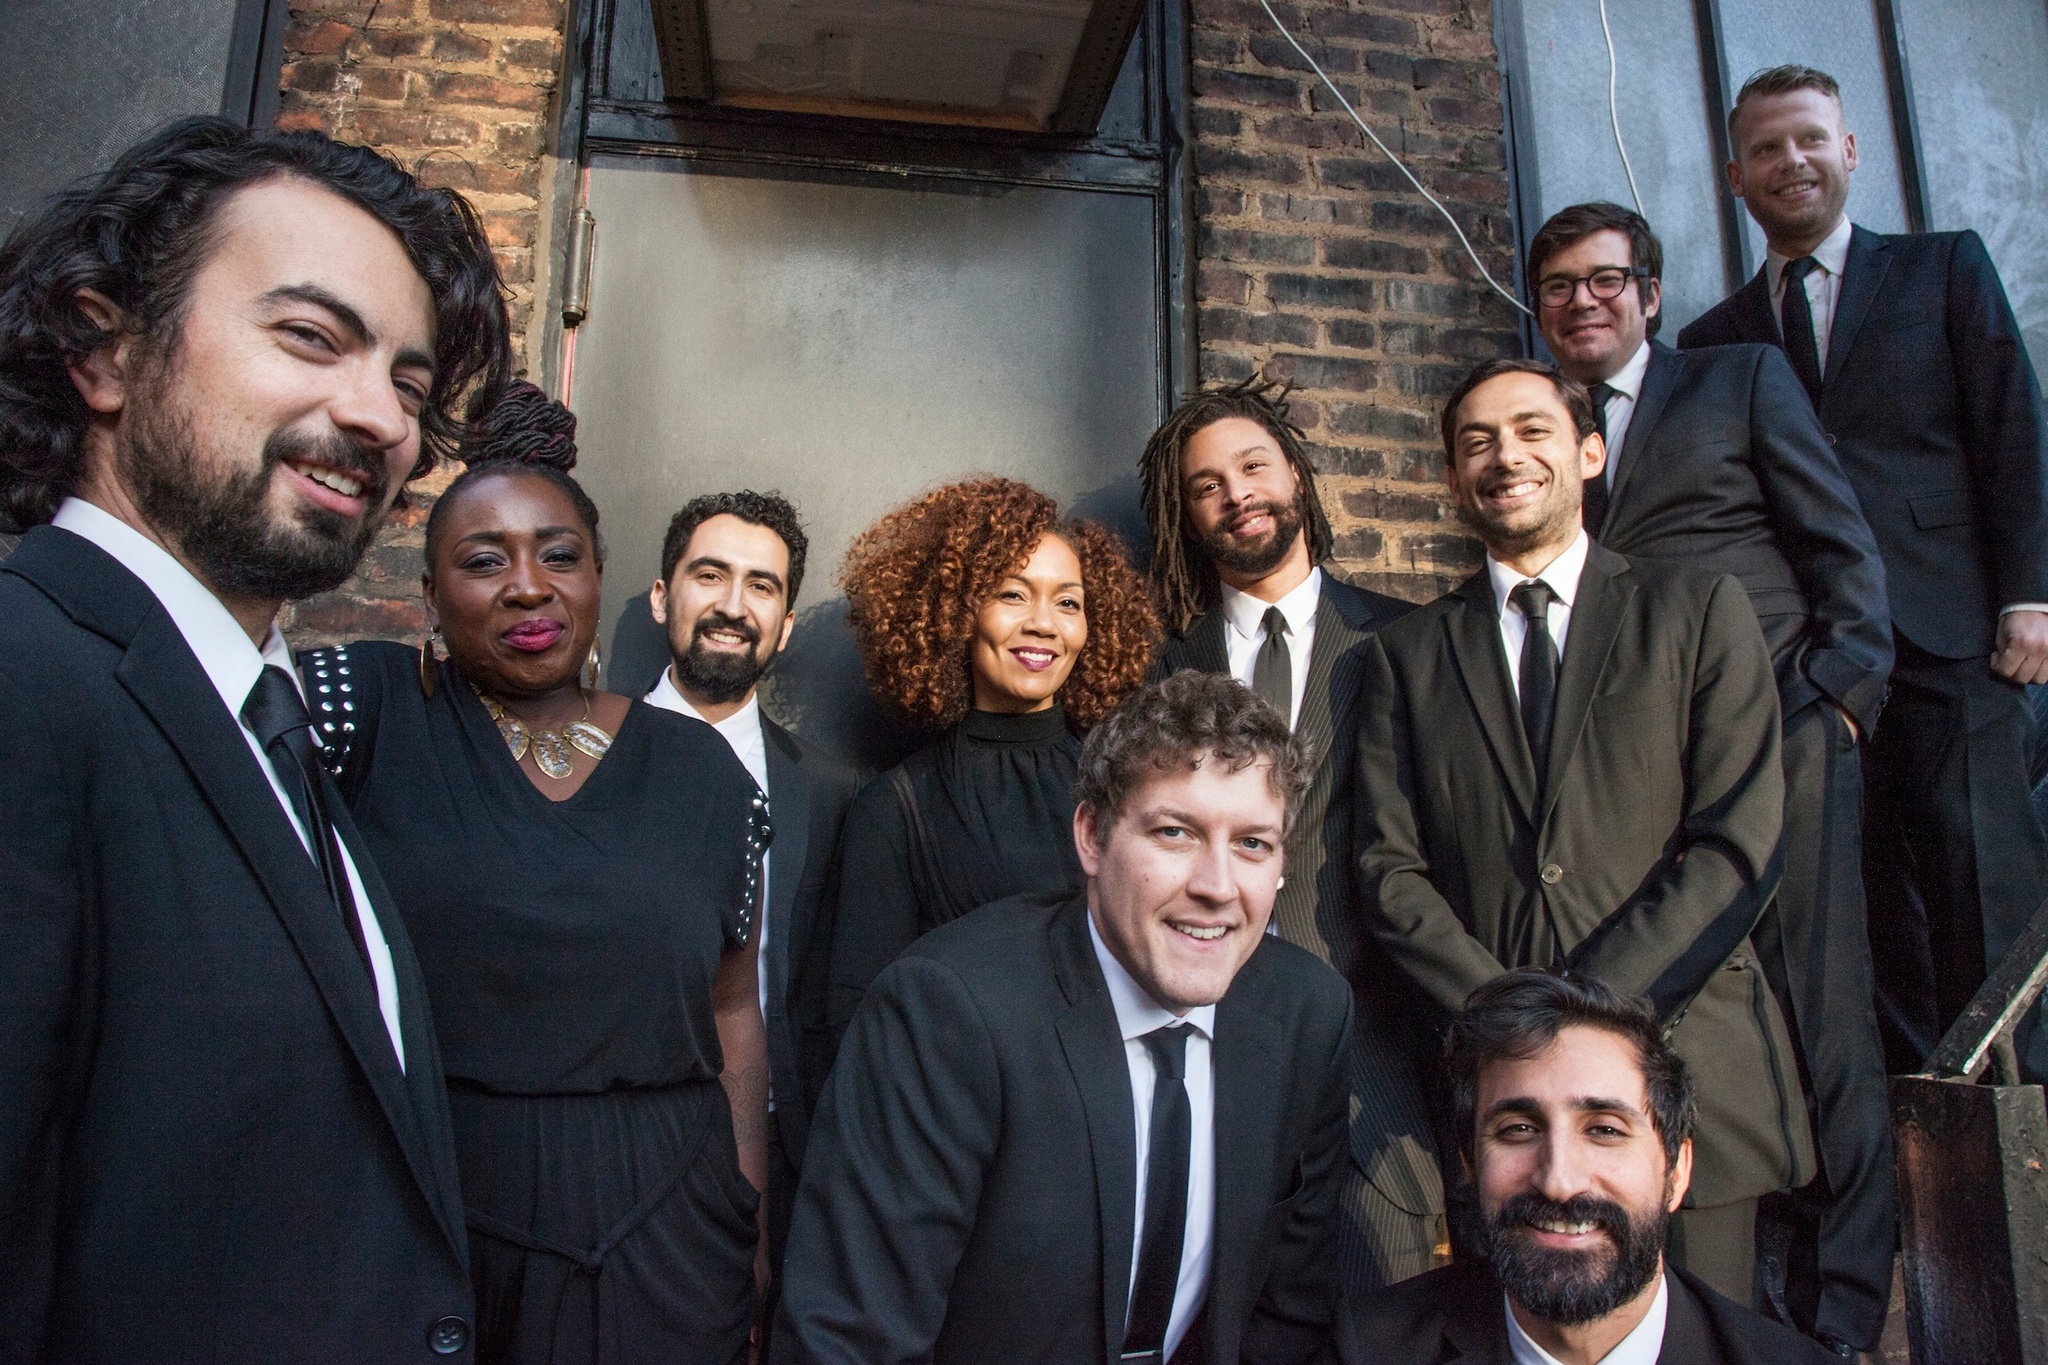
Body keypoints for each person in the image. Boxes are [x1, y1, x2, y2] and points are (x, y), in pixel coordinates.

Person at [0, 117, 508, 1360]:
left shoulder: (259, 723)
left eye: (405, 380)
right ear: (103, 347)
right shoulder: (25, 680)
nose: (379, 417)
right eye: (310, 338)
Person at [300, 383, 771, 1364]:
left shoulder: (703, 775)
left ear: (600, 579)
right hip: (436, 1217)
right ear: (429, 598)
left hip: (670, 1236)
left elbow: (732, 1009)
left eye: (559, 556)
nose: (527, 586)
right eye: (483, 562)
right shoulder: (362, 715)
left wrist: (747, 1220)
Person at [1356, 357, 1812, 1308]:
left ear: (1590, 451)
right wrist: (1512, 1023)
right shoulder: (1404, 657)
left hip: (1690, 1075)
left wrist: (1589, 1014)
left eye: (1531, 429)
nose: (1504, 455)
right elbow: (1388, 869)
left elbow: (1738, 841)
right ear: (1449, 477)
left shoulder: (1697, 611)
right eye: (1475, 441)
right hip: (1505, 1105)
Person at [1529, 200, 1895, 1354]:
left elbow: (1837, 538)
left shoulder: (1735, 379)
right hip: (1650, 765)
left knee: (1820, 1010)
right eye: (1556, 287)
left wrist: (1840, 693)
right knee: (1697, 1008)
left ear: (1646, 293)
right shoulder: (1543, 433)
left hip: (1782, 727)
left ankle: (1841, 1311)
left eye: (1603, 280)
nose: (1581, 301)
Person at [777, 670, 1352, 1363]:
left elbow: (1286, 1320)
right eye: (1176, 832)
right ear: (1090, 836)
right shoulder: (946, 1016)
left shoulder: (1307, 1016)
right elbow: (849, 1341)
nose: (1218, 886)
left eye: (1253, 843)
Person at [1679, 65, 2048, 1089]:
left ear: (1846, 152)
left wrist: (2031, 595)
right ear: (1733, 177)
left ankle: (2018, 1138)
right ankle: (1910, 1146)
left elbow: (2012, 432)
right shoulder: (1712, 344)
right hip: (1810, 674)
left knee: (1986, 892)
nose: (1787, 161)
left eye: (1806, 139)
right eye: (1764, 149)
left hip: (1954, 640)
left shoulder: (1942, 270)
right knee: (1866, 915)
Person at [1139, 376, 1442, 1294]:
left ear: (1298, 477)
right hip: (1195, 1072)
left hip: (1374, 1090)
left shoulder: (1412, 642)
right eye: (1206, 485)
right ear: (1188, 517)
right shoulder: (1159, 669)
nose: (1236, 493)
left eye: (1253, 465)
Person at [1341, 970, 1836, 1365]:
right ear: (1469, 1164)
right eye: (1518, 1130)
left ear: (1677, 1171)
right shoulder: (1367, 1351)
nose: (1559, 1181)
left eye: (1605, 1130)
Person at [823, 476, 1158, 1044]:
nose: (1043, 624)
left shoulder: (1134, 786)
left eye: (1068, 602)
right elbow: (860, 1019)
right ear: (956, 612)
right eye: (1012, 594)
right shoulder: (897, 809)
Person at [643, 489, 859, 1286]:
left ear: (787, 623)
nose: (733, 606)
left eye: (762, 586)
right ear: (664, 595)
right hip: (619, 1140)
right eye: (710, 575)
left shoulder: (830, 791)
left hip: (779, 1152)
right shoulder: (589, 759)